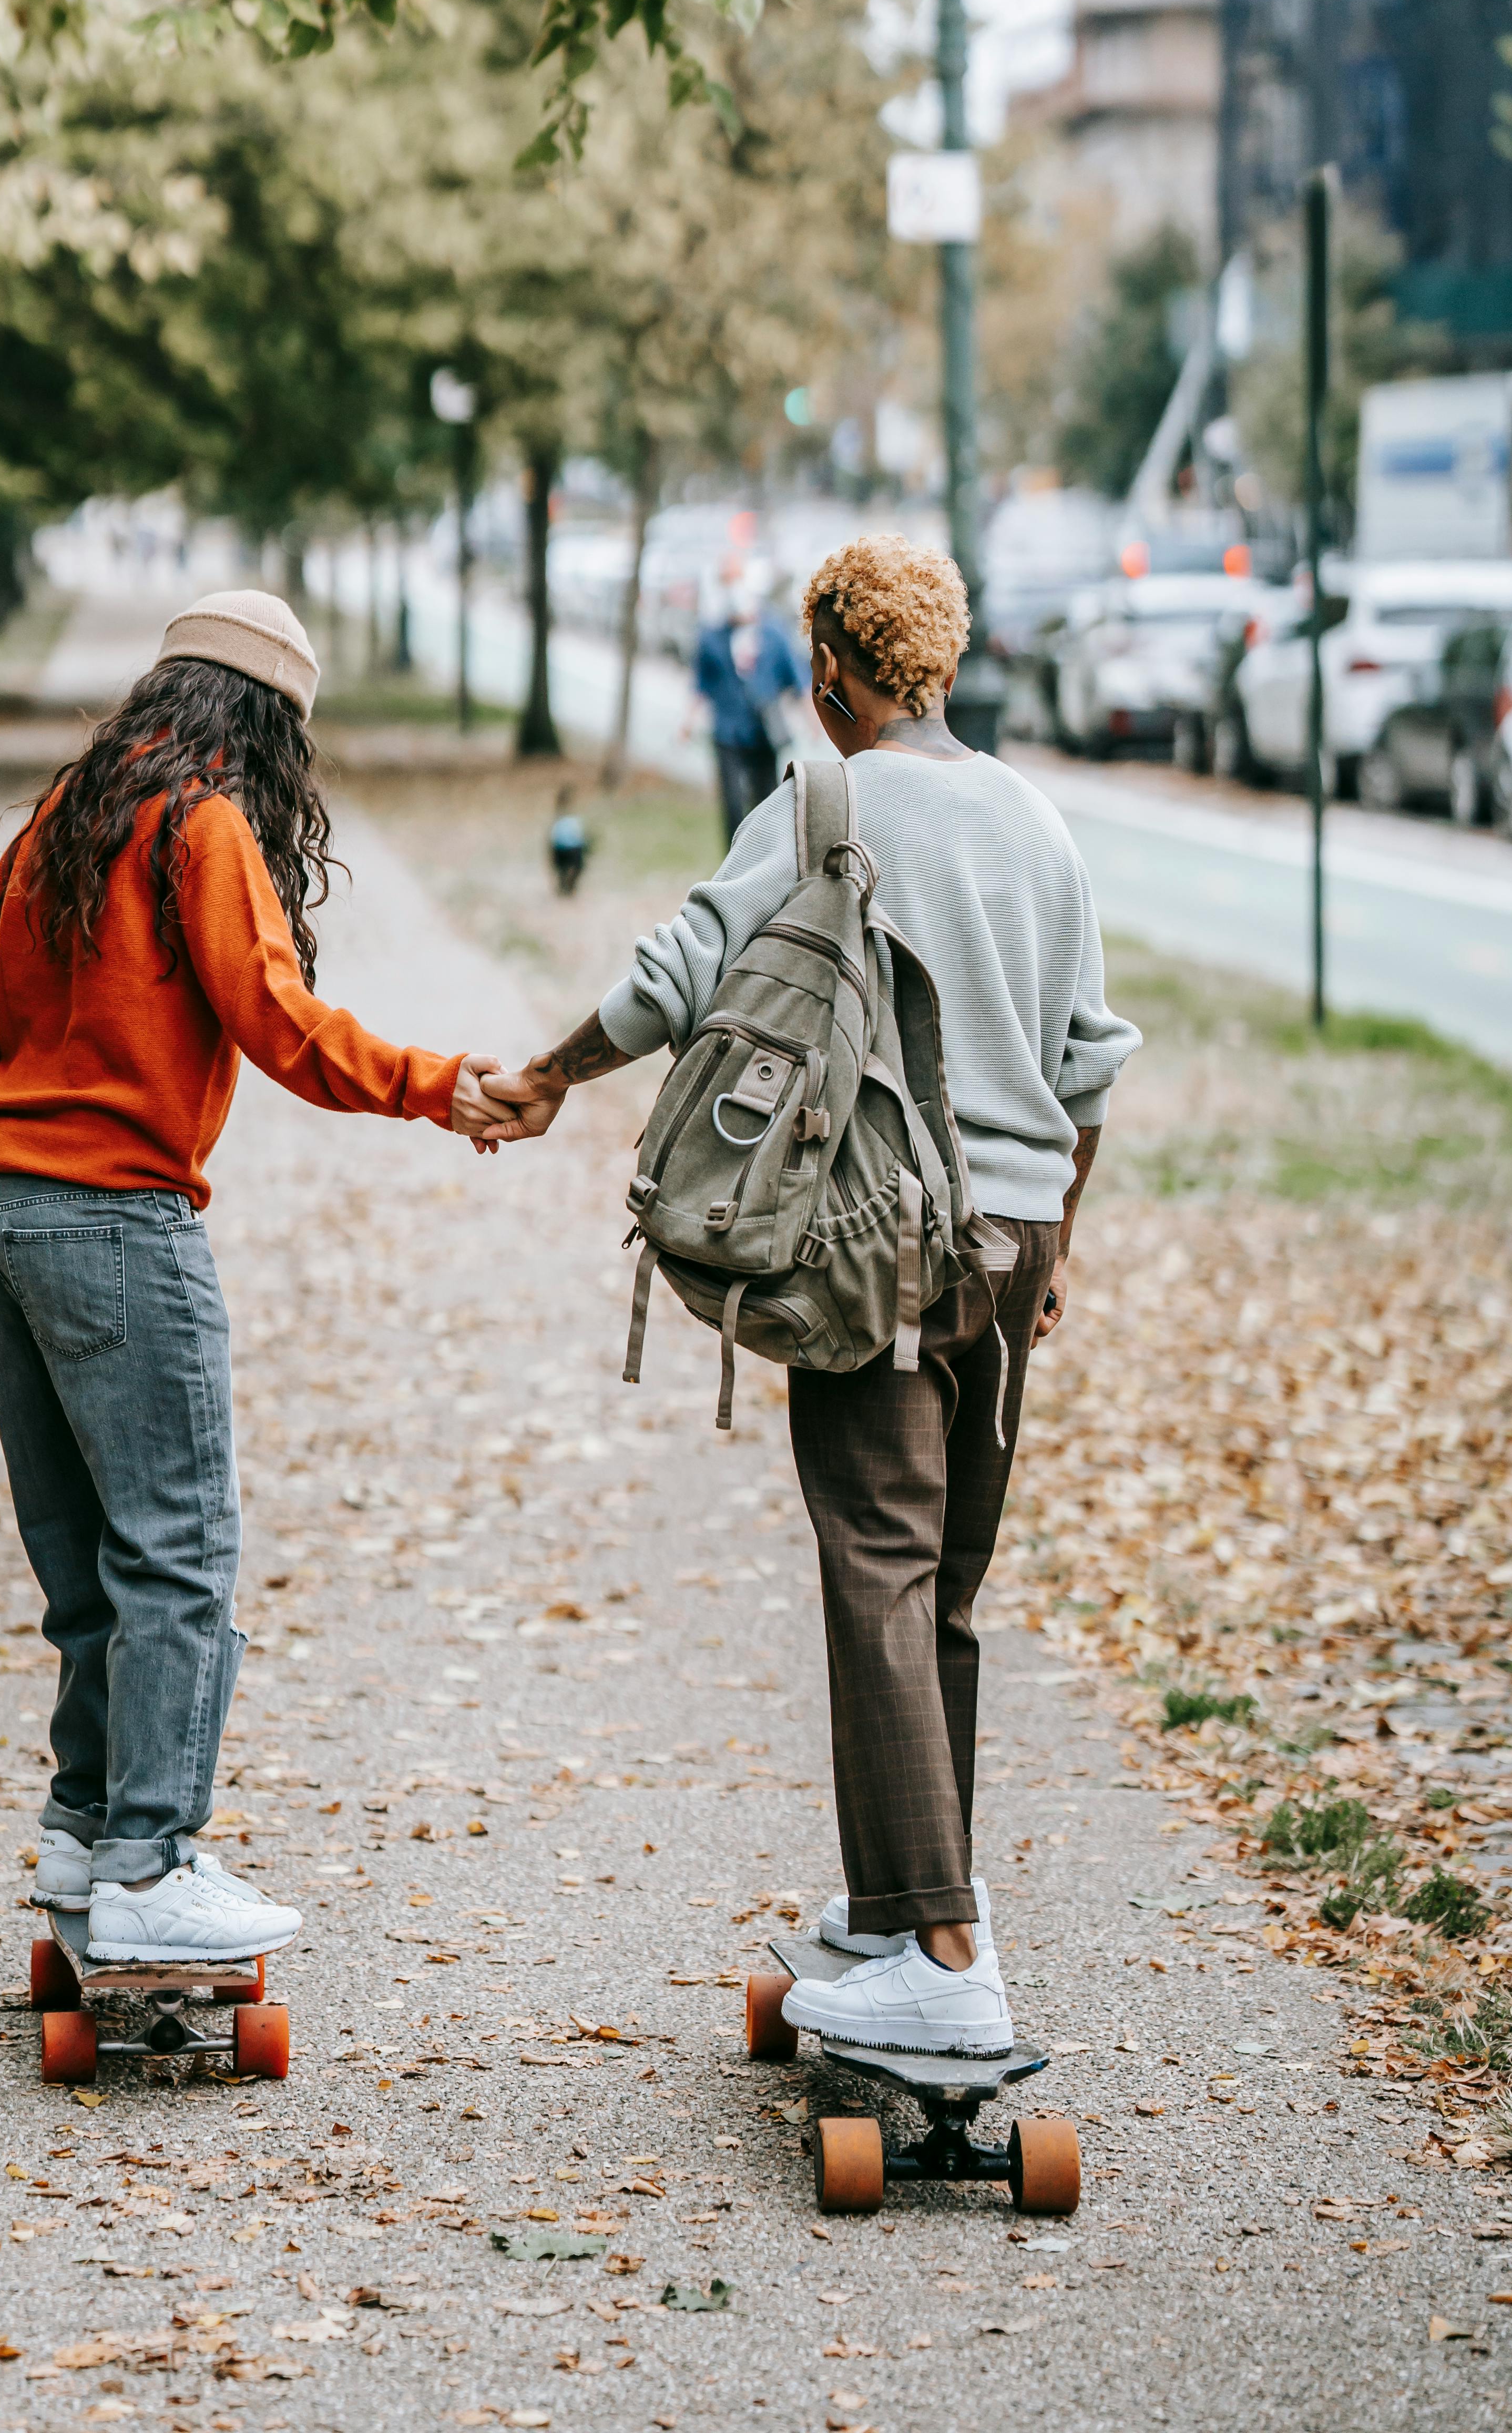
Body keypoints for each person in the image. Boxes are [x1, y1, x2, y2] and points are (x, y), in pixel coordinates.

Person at [485, 535, 1138, 2057]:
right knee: (947, 1585)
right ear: (946, 666)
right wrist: (1065, 1237)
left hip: (885, 1241)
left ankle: (948, 1958)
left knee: (878, 1565)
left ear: (835, 672)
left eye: (812, 671)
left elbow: (685, 968)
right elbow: (1090, 1064)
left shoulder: (826, 800)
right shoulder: (1039, 820)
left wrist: (551, 1076)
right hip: (1021, 1233)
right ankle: (905, 1904)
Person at [0, 590, 522, 1970]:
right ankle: (152, 1864)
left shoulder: (61, 820)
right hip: (120, 1221)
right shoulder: (201, 825)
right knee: (177, 1554)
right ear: (267, 726)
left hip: (7, 1220)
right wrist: (446, 1088)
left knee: (83, 1564)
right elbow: (280, 1022)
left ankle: (83, 1842)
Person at [689, 559, 804, 846]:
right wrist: (688, 722)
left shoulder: (773, 632)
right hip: (728, 731)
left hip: (763, 732)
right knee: (733, 802)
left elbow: (796, 681)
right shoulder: (711, 635)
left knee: (767, 800)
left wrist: (813, 722)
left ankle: (765, 859)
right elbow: (701, 684)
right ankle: (733, 860)